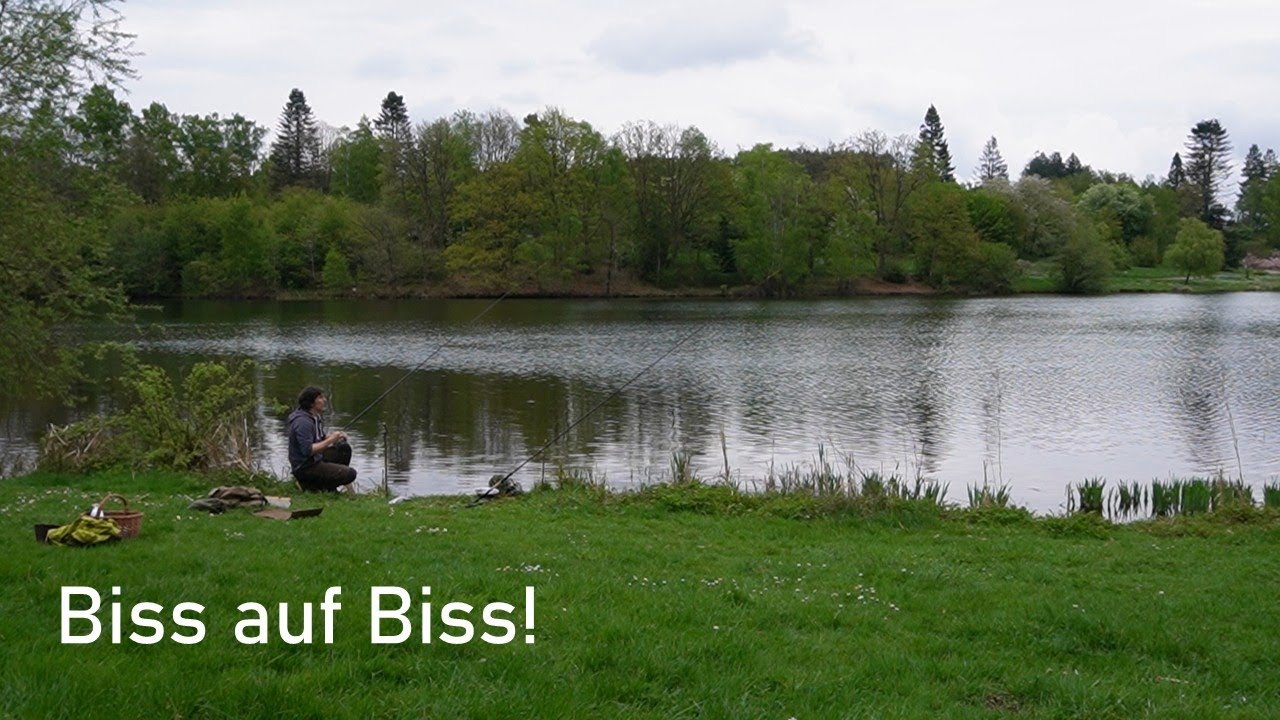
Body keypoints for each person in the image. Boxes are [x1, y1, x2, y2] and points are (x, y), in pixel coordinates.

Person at [287, 386, 357, 491]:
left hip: (315, 459)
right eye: (320, 398)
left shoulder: (314, 417)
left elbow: (318, 438)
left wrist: (334, 437)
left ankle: (327, 486)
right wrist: (330, 440)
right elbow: (308, 450)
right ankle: (310, 485)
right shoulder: (302, 422)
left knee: (343, 448)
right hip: (305, 467)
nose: (324, 400)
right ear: (311, 403)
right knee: (351, 474)